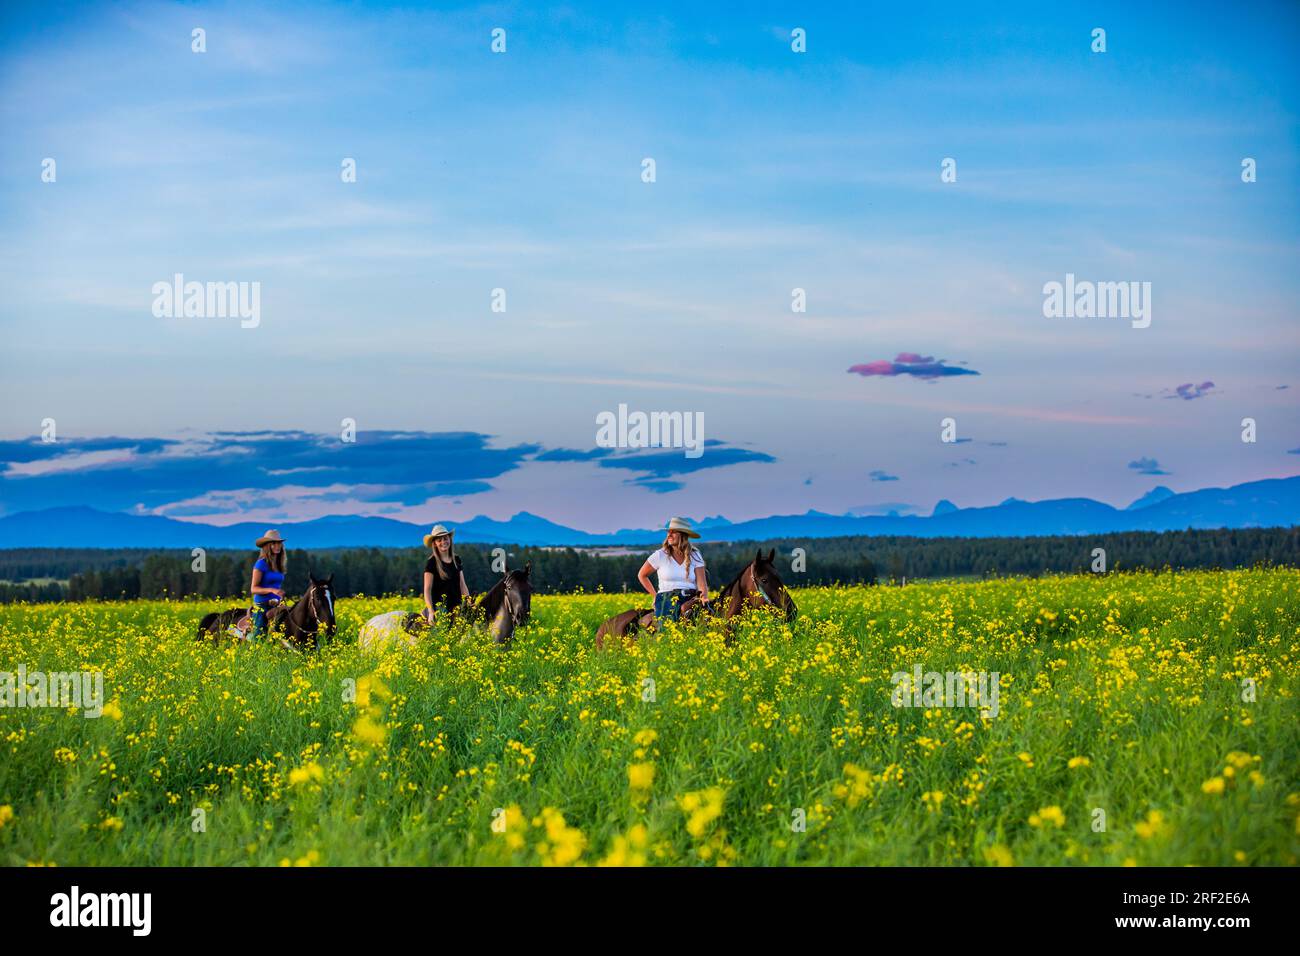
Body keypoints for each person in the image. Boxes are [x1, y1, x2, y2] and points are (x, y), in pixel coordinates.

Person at [638, 517, 708, 622]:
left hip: (691, 599)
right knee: (667, 631)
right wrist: (655, 596)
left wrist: (704, 597)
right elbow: (642, 575)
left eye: (673, 532)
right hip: (666, 600)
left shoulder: (695, 555)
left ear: (683, 535)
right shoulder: (660, 555)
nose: (669, 535)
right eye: (668, 532)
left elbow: (702, 583)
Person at [423, 524, 469, 623]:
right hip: (440, 608)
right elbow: (427, 590)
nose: (443, 542)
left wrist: (468, 602)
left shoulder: (456, 559)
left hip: (457, 606)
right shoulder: (431, 563)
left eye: (445, 538)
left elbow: (462, 584)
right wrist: (431, 611)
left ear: (449, 540)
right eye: (439, 540)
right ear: (435, 543)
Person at [249, 529, 287, 640]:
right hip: (262, 605)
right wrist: (272, 590)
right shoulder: (261, 564)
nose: (277, 546)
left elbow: (276, 586)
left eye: (279, 543)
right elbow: (253, 588)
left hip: (277, 603)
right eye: (274, 543)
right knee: (260, 635)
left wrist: (279, 593)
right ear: (267, 546)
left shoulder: (279, 564)